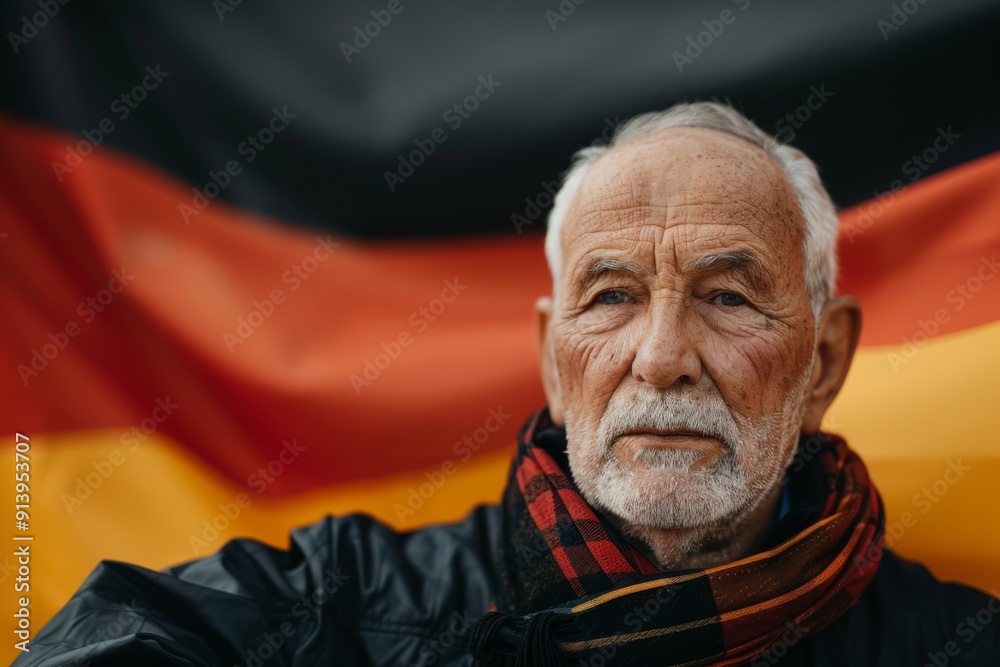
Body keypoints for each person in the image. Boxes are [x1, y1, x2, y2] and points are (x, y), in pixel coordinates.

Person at [17, 103, 998, 666]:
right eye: (611, 296)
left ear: (822, 359)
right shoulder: (333, 607)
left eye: (729, 299)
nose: (659, 357)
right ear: (549, 355)